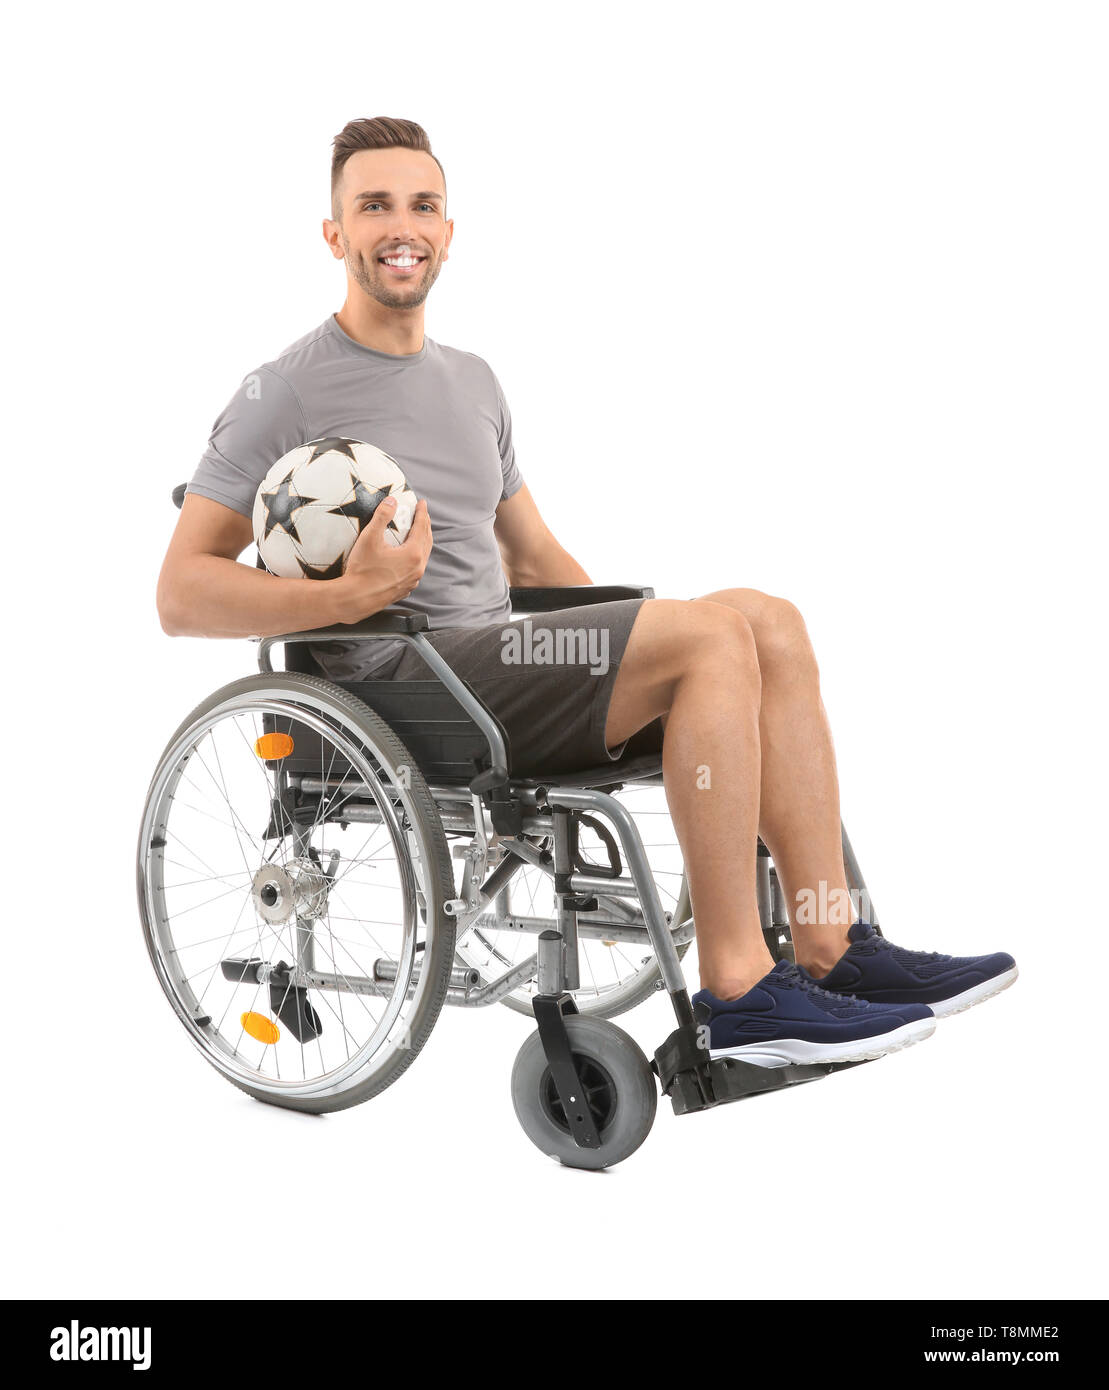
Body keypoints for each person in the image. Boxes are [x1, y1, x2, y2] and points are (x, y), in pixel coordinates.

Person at [157, 116, 1017, 1069]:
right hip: (408, 684)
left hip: (507, 657)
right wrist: (348, 593)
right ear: (333, 234)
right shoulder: (285, 390)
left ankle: (833, 945)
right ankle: (737, 989)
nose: (401, 226)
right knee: (708, 639)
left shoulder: (473, 381)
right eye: (372, 206)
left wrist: (666, 636)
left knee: (763, 621)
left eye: (422, 205)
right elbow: (180, 594)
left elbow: (531, 560)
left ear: (448, 230)